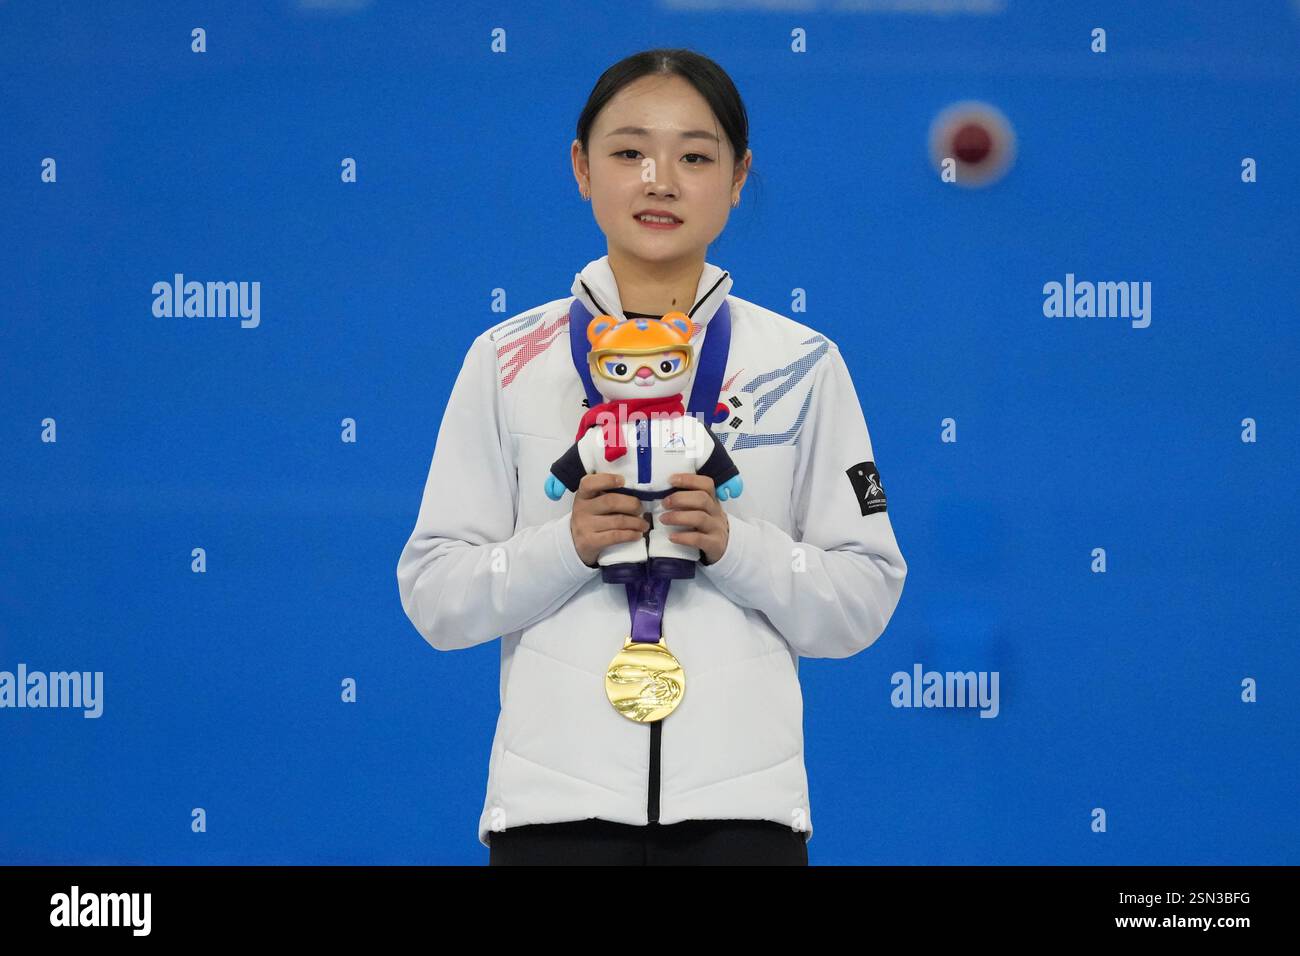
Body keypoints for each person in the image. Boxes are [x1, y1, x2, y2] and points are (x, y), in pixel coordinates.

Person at [396, 48, 907, 866]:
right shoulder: (506, 358)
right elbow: (434, 595)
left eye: (695, 156)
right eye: (629, 151)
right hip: (551, 819)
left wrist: (737, 546)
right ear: (581, 169)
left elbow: (863, 600)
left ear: (739, 177)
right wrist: (564, 547)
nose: (659, 179)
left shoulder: (805, 362)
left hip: (746, 820)